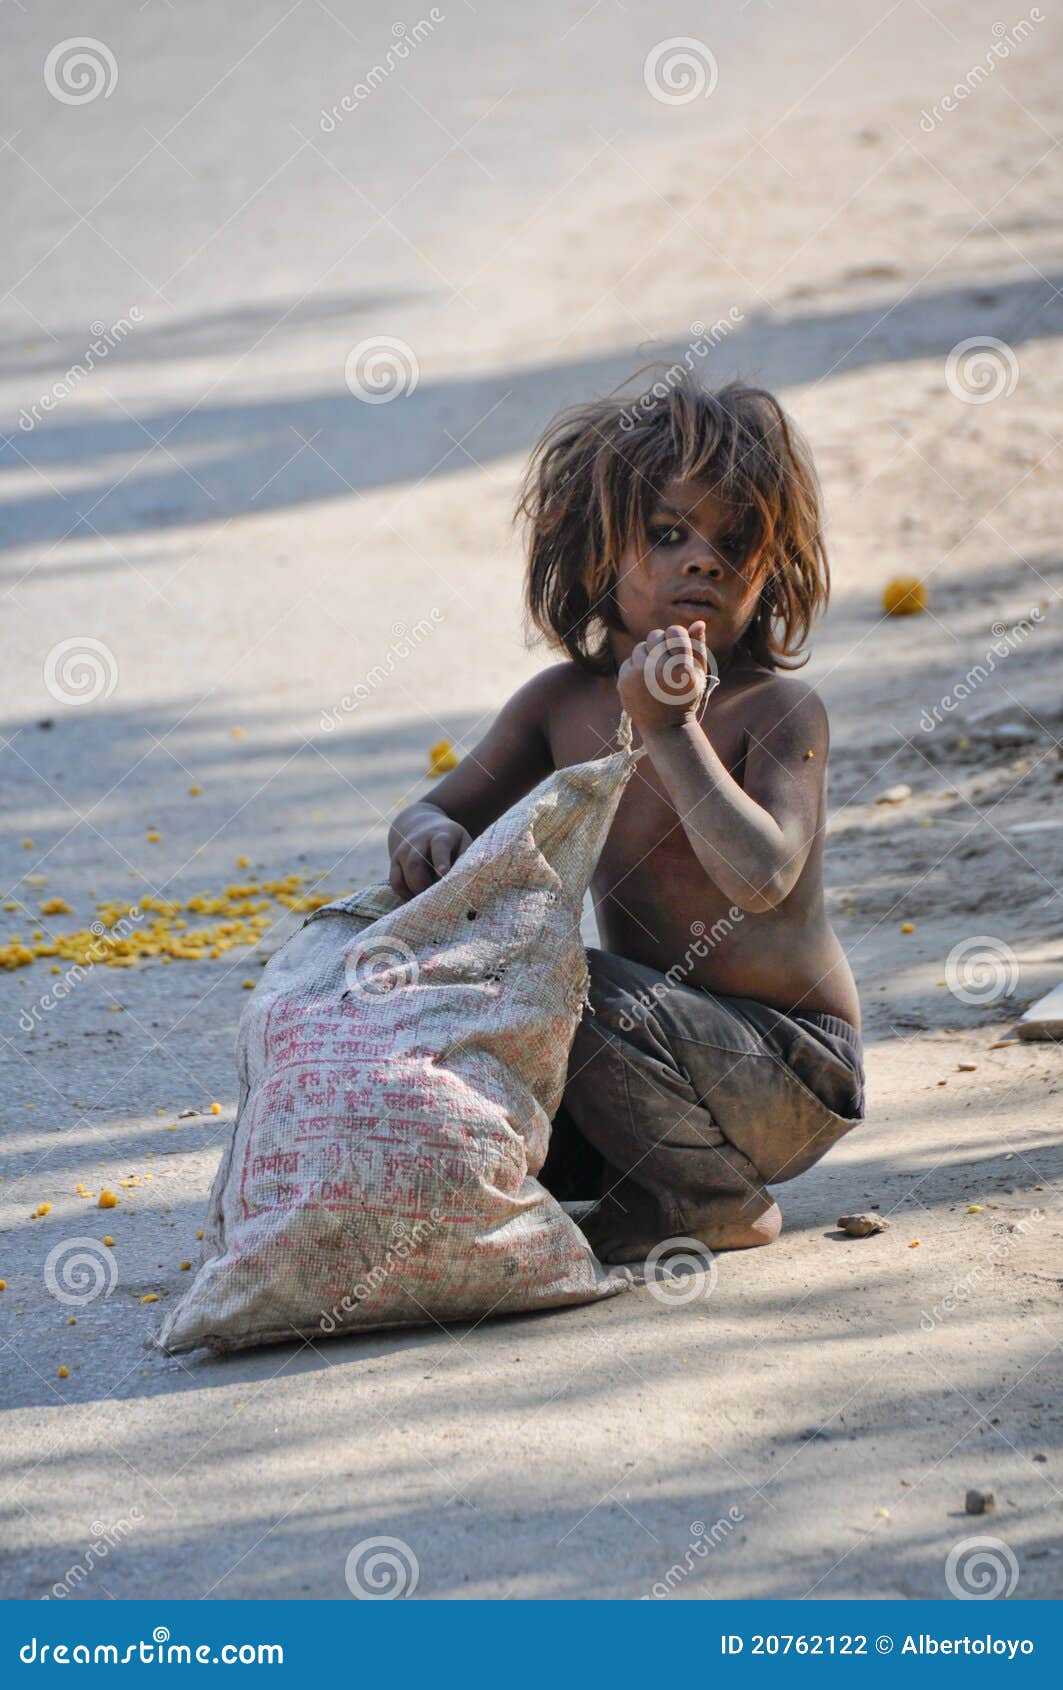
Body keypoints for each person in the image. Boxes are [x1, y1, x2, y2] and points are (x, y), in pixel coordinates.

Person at [387, 377, 865, 1262]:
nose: (704, 561)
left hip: (790, 1066)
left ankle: (709, 1200)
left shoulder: (776, 711)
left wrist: (670, 732)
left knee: (575, 983)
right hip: (641, 1054)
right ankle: (617, 1183)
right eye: (666, 534)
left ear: (771, 567)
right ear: (588, 559)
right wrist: (425, 840)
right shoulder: (557, 705)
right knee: (478, 1021)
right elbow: (430, 809)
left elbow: (759, 879)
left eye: (734, 541)